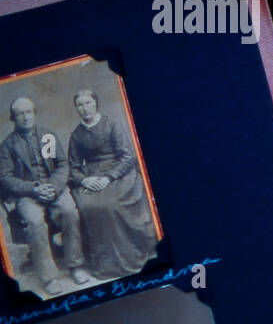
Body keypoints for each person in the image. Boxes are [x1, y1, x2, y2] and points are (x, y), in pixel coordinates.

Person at [66, 89, 158, 280]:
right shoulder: (76, 134)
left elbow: (127, 157)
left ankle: (128, 257)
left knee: (110, 206)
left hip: (119, 174)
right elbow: (73, 167)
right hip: (91, 177)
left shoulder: (112, 124)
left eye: (88, 103)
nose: (85, 108)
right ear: (76, 108)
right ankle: (104, 263)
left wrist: (108, 177)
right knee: (88, 205)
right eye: (80, 105)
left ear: (95, 103)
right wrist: (85, 179)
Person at [0, 97, 88, 295]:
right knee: (34, 222)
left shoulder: (47, 136)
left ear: (34, 113)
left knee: (69, 212)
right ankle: (48, 277)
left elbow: (61, 165)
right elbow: (5, 178)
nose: (25, 117)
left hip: (53, 189)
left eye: (28, 112)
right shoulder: (7, 146)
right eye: (20, 114)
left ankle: (75, 266)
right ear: (13, 118)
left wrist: (54, 187)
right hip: (27, 195)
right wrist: (33, 189)